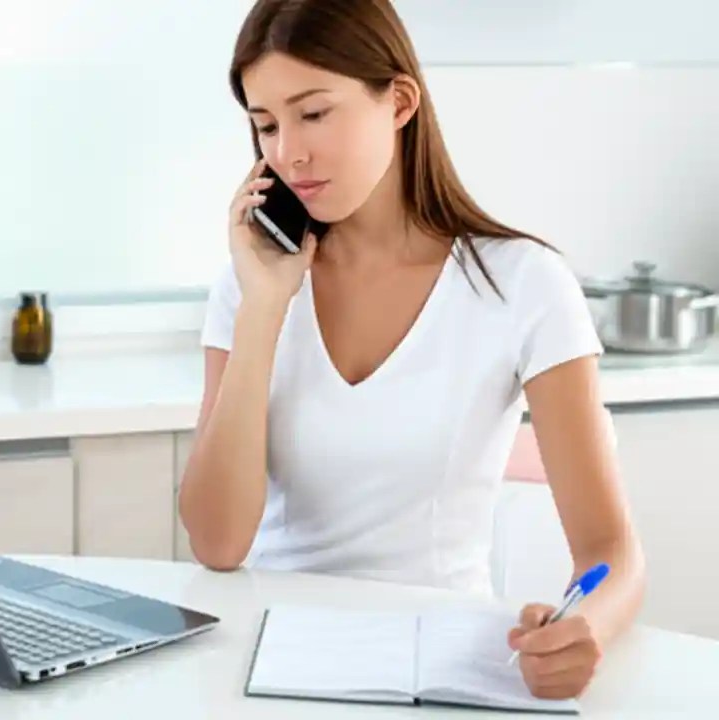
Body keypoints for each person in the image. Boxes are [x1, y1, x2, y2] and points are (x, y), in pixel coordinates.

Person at [178, 0, 645, 700]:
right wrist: (264, 309)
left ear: (398, 102)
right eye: (266, 124)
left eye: (313, 113)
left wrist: (591, 629)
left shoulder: (523, 285)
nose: (287, 153)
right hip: (269, 659)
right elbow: (217, 544)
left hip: (440, 664)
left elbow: (611, 552)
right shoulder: (249, 285)